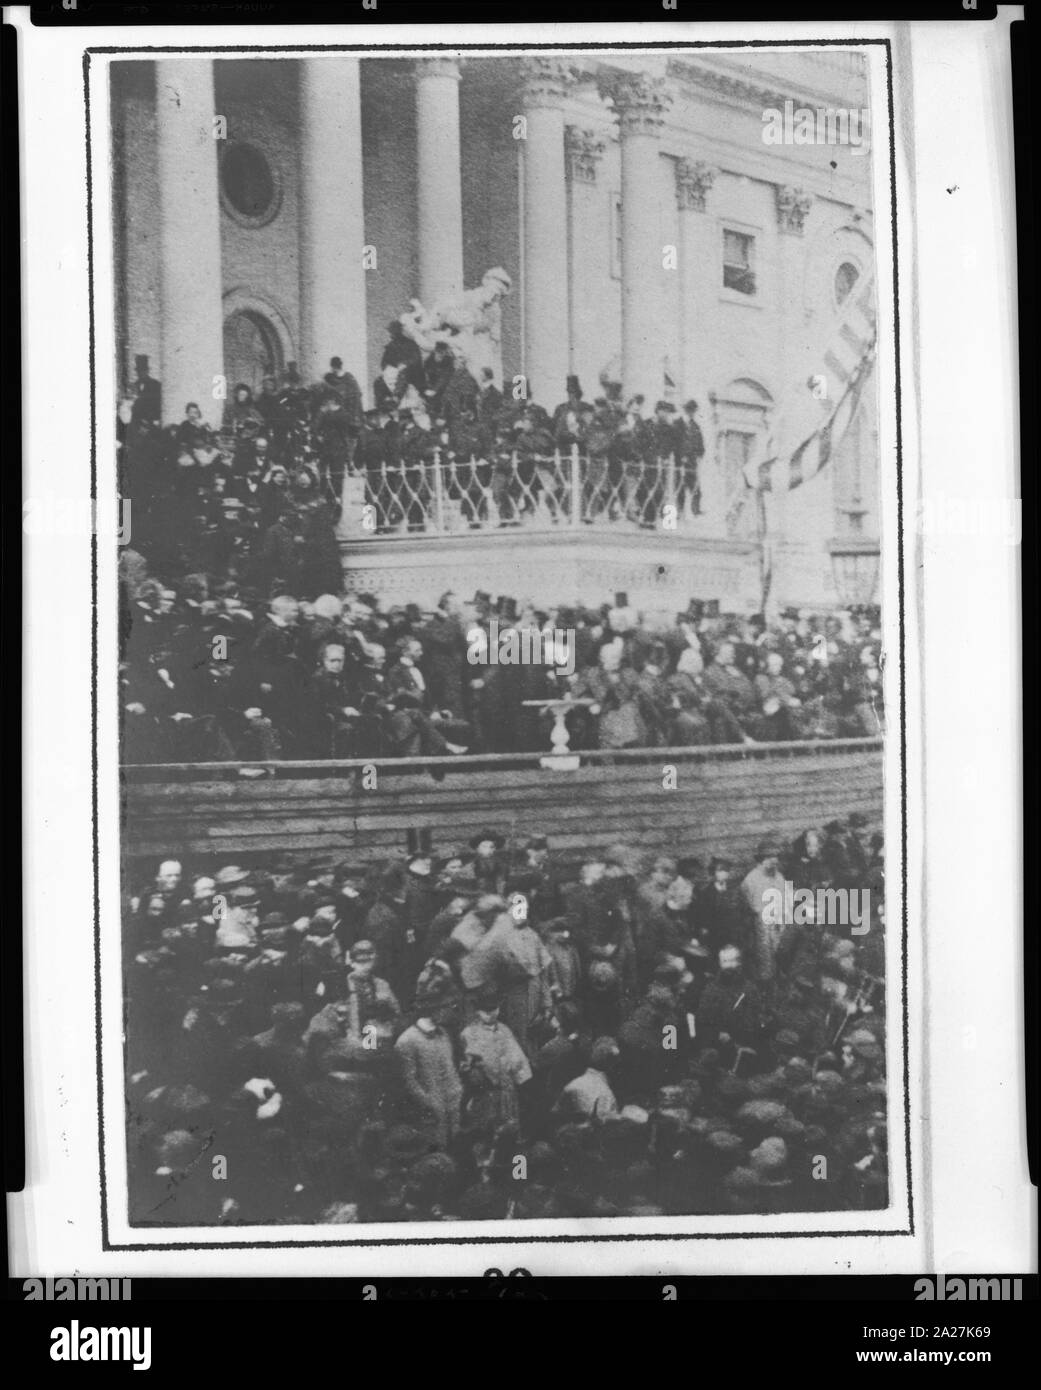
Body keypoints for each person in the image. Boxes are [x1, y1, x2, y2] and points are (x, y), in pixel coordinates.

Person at [393, 984, 463, 1149]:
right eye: (447, 1007)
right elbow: (409, 1080)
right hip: (431, 1111)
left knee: (456, 1145)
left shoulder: (444, 1034)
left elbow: (450, 1067)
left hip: (453, 1103)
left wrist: (457, 1089)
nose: (451, 1011)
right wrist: (429, 1102)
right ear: (434, 1010)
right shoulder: (407, 1041)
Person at [460, 987, 532, 1130]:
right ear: (477, 1011)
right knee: (485, 1126)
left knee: (507, 1125)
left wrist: (518, 1077)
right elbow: (465, 1065)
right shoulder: (469, 1034)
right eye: (485, 1011)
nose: (490, 1014)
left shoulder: (504, 1030)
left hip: (506, 1089)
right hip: (485, 1092)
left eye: (493, 1009)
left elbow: (518, 1060)